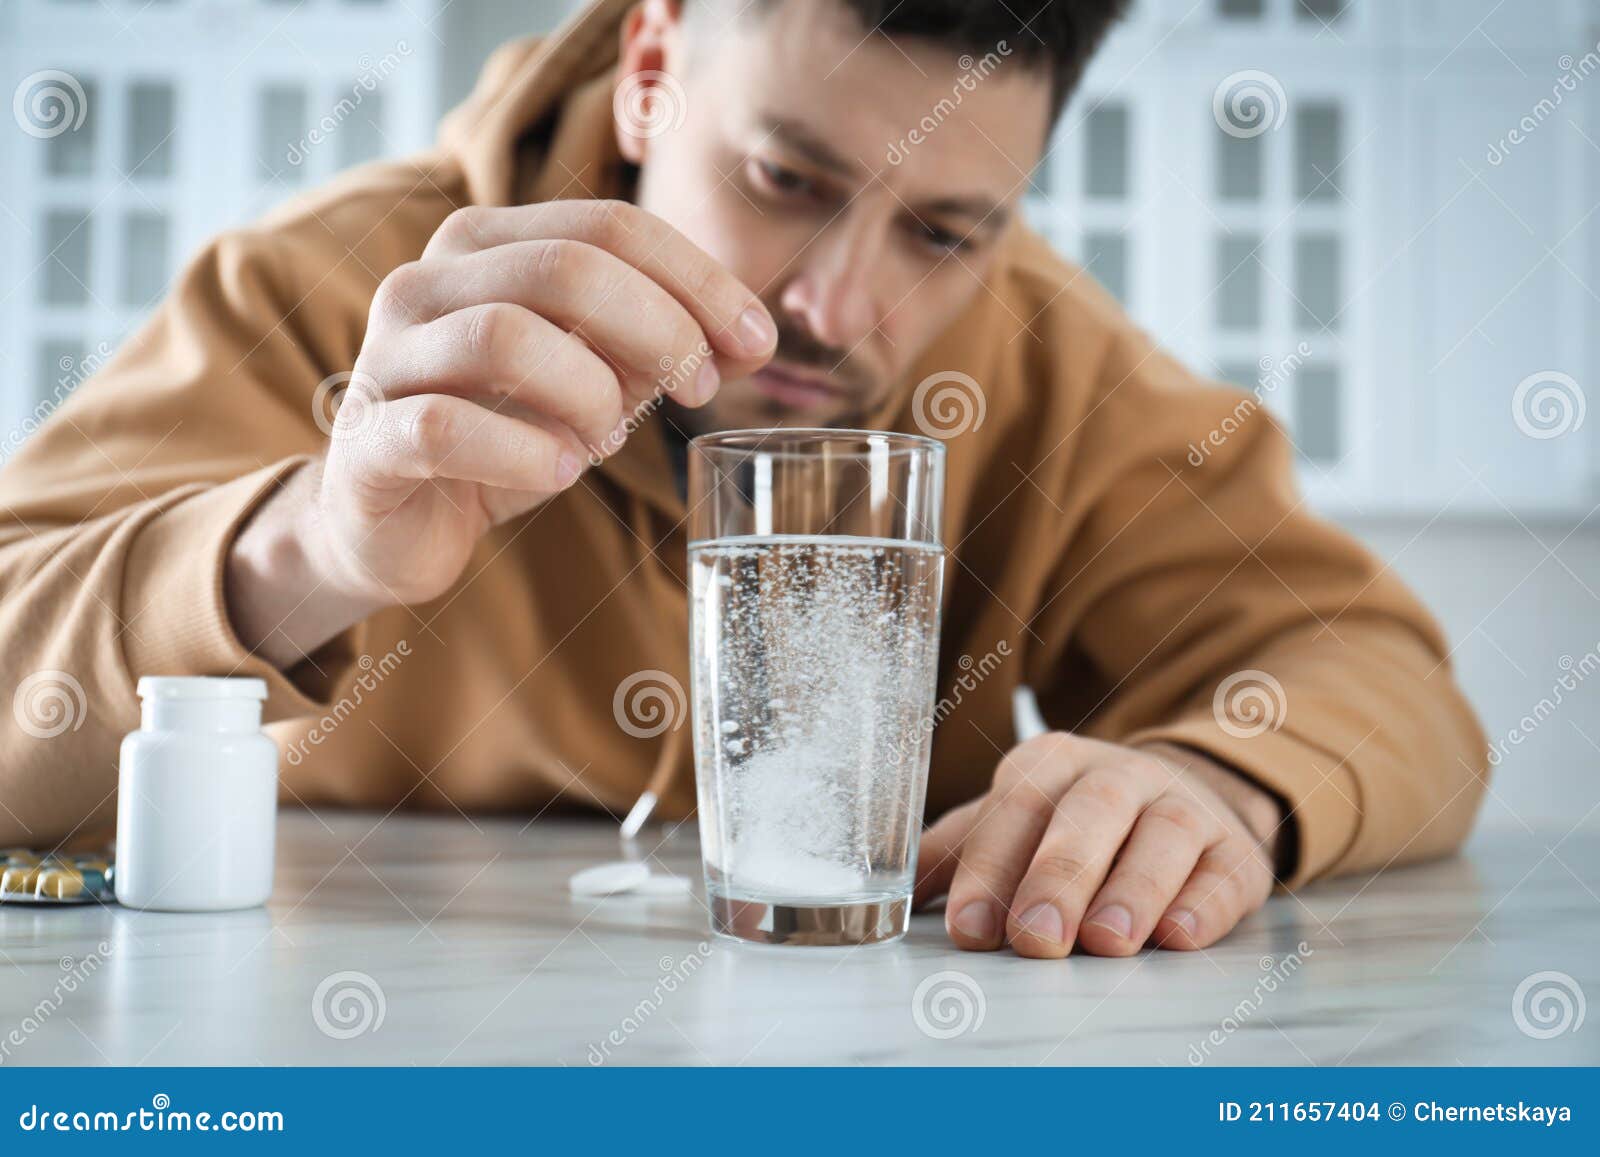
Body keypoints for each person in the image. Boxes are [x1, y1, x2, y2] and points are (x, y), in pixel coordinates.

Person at [0, 0, 1486, 958]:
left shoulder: (1052, 366)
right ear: (652, 70)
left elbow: (1369, 669)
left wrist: (1207, 780)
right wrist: (308, 546)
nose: (837, 305)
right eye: (787, 182)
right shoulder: (324, 295)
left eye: (947, 232)